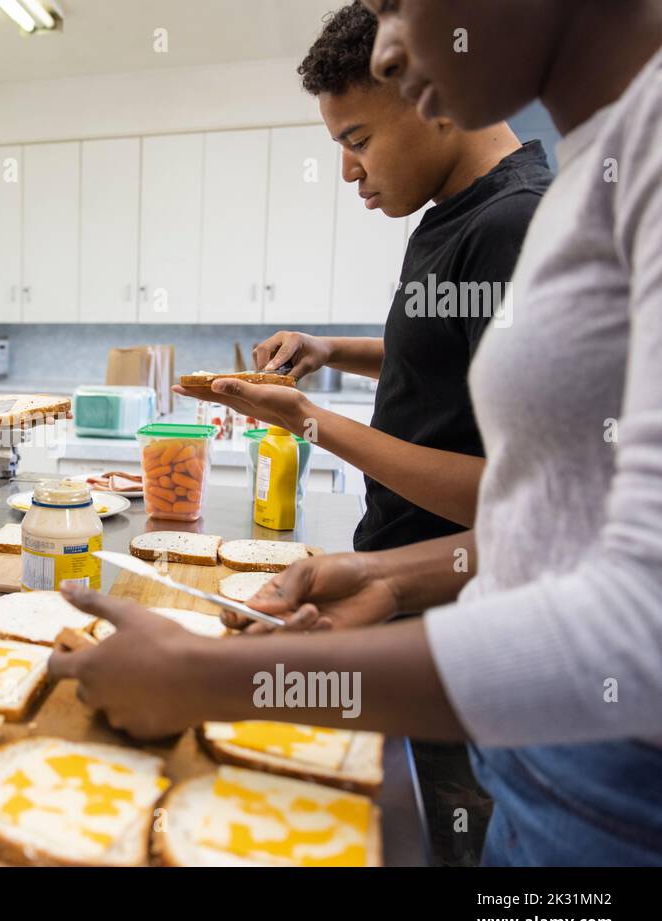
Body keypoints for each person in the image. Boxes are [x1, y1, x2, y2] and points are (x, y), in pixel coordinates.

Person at [54, 0, 662, 866]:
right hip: (535, 769)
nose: (385, 46)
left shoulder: (600, 177)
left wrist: (217, 679)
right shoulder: (595, 174)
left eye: (395, 3)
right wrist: (385, 575)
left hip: (611, 807)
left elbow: (639, 622)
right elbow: (559, 512)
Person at [178, 2, 551, 550]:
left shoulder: (515, 224)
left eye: (358, 141)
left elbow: (525, 496)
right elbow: (448, 362)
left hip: (445, 605)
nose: (350, 171)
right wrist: (329, 349)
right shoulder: (456, 215)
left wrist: (307, 419)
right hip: (393, 572)